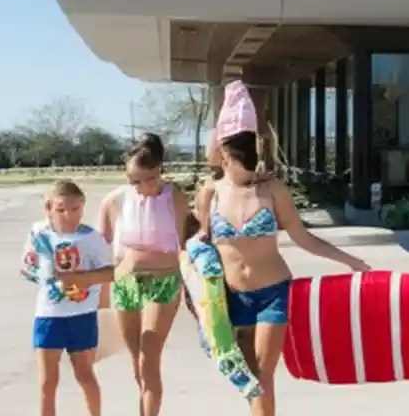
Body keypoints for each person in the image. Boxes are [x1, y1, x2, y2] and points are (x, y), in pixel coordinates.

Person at [196, 80, 371, 416]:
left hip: (273, 293)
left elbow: (303, 237)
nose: (247, 170)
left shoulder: (273, 190)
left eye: (252, 161)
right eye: (239, 161)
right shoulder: (210, 193)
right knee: (247, 377)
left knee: (262, 373)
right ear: (224, 155)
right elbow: (203, 243)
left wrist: (350, 261)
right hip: (231, 297)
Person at [97, 133, 189, 416]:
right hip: (125, 284)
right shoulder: (114, 202)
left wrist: (138, 258)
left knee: (149, 360)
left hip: (163, 281)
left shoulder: (173, 197)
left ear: (160, 168)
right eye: (134, 180)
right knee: (136, 361)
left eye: (148, 178)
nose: (142, 186)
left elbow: (182, 251)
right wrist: (98, 299)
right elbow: (100, 254)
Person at [21, 179, 115, 416]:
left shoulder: (91, 237)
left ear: (83, 206)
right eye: (60, 209)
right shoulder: (39, 233)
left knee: (84, 374)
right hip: (48, 314)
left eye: (75, 209)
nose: (68, 215)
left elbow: (111, 272)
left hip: (81, 314)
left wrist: (81, 279)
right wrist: (43, 274)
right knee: (47, 381)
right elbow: (26, 266)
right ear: (48, 208)